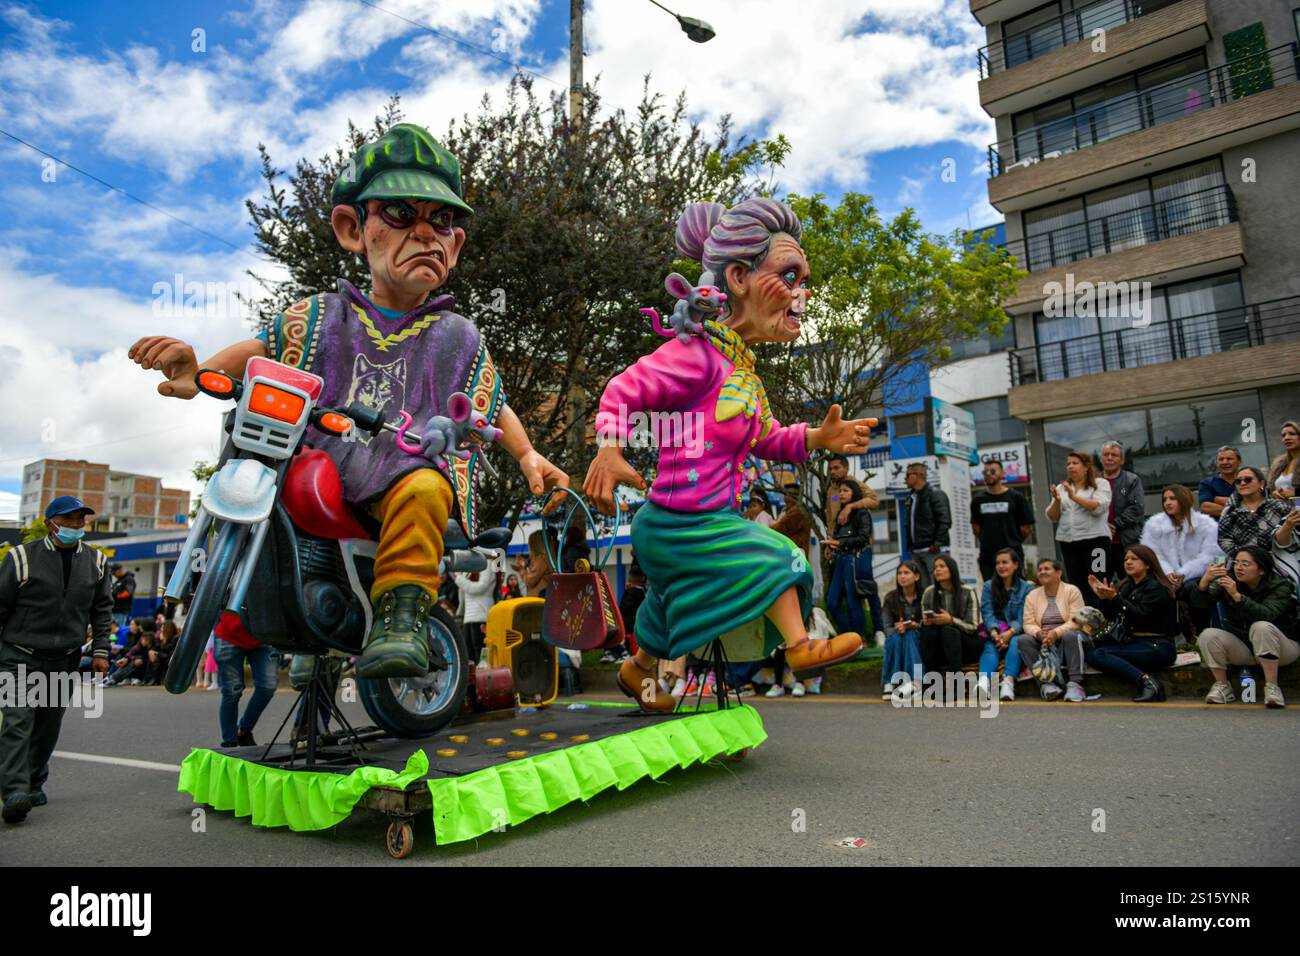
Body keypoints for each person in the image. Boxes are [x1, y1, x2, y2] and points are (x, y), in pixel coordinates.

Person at [130, 122, 567, 681]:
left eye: (443, 222)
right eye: (402, 216)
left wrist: (527, 455)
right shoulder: (315, 316)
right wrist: (199, 374)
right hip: (319, 454)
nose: (427, 234)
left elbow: (486, 401)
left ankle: (399, 616)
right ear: (352, 229)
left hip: (404, 463)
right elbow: (262, 351)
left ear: (455, 245)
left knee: (425, 484)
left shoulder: (458, 335)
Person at [585, 197, 873, 713]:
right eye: (790, 275)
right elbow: (622, 389)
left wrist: (816, 438)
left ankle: (638, 671)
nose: (802, 293)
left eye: (805, 280)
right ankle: (800, 646)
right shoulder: (695, 355)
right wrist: (609, 450)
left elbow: (767, 438)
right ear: (739, 276)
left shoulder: (740, 369)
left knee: (667, 606)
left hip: (700, 520)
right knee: (778, 554)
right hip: (680, 521)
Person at [0, 495, 113, 824]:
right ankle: (15, 792)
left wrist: (101, 651)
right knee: (18, 723)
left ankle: (34, 782)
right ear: (51, 523)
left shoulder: (96, 562)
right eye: (69, 520)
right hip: (18, 654)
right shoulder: (21, 558)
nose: (76, 526)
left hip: (64, 658)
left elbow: (102, 610)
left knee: (47, 726)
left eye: (81, 520)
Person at [1191, 546, 1298, 708]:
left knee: (1261, 626)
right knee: (1208, 635)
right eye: (1236, 563)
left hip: (1282, 648)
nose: (1238, 567)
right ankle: (1222, 685)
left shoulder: (1280, 586)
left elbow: (1266, 614)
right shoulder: (1230, 580)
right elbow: (1200, 604)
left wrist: (1237, 596)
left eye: (1246, 564)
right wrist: (1204, 583)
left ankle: (1272, 687)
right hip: (1245, 647)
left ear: (1261, 570)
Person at [1085, 544, 1180, 702]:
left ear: (1148, 564)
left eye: (1134, 559)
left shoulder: (1157, 588)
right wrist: (1103, 598)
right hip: (1133, 642)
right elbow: (1111, 618)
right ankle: (1145, 680)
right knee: (1093, 652)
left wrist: (1115, 598)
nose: (1128, 562)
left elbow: (1139, 617)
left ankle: (1148, 683)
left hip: (1157, 645)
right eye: (1126, 559)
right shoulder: (1126, 586)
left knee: (1100, 654)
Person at [1046, 450, 1113, 606]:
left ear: (1086, 467)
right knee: (1077, 583)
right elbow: (1052, 516)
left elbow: (1098, 507)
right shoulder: (1063, 489)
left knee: (1099, 580)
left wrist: (1074, 496)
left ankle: (1103, 621)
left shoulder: (1100, 484)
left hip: (1096, 542)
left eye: (1075, 463)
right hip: (1069, 543)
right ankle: (1085, 622)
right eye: (1068, 463)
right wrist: (1057, 500)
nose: (1070, 466)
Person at [1017, 558, 1087, 701]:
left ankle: (1075, 684)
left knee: (1070, 635)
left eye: (1047, 568)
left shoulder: (1071, 590)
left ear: (1058, 573)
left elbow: (1077, 620)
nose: (1042, 572)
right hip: (1044, 640)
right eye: (1040, 569)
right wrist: (1038, 633)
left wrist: (1056, 633)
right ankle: (1046, 684)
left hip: (1069, 636)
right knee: (1023, 639)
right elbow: (1028, 623)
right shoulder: (1032, 595)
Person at [825, 477, 883, 642]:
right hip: (840, 559)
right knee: (832, 603)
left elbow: (864, 538)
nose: (841, 494)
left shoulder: (861, 512)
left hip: (854, 558)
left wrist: (840, 542)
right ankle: (851, 637)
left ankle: (861, 638)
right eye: (840, 491)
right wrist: (831, 546)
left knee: (854, 600)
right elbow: (836, 534)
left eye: (846, 491)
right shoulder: (836, 506)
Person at [211, 612, 279, 747]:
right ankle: (229, 743)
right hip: (228, 633)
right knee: (232, 691)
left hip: (264, 635)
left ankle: (243, 730)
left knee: (268, 687)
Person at [918, 554, 981, 684]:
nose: (937, 570)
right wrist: (926, 622)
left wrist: (951, 620)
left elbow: (973, 626)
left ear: (952, 569)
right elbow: (922, 621)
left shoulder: (967, 591)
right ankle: (933, 683)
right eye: (935, 567)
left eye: (942, 566)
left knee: (949, 631)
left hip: (966, 645)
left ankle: (956, 684)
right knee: (929, 632)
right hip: (940, 646)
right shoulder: (929, 592)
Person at [979, 548, 1031, 701]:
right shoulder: (989, 586)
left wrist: (1010, 633)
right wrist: (995, 633)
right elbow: (987, 612)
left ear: (1015, 565)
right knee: (990, 646)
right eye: (998, 563)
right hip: (996, 630)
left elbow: (1024, 616)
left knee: (1016, 642)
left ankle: (1008, 682)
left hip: (1016, 631)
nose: (1001, 566)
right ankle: (984, 682)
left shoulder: (1026, 588)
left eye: (1005, 562)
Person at [971, 460, 1032, 583]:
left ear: (1003, 474)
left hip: (1013, 554)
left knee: (1016, 592)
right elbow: (976, 527)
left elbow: (1026, 527)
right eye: (985, 472)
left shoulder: (1016, 497)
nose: (988, 474)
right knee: (992, 592)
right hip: (988, 557)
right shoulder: (978, 500)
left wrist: (1014, 541)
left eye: (993, 471)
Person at [1217, 466, 1290, 556]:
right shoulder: (1230, 510)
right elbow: (1223, 539)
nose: (1243, 483)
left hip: (1279, 560)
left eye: (1248, 479)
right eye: (1238, 481)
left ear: (1261, 483)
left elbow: (1290, 536)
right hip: (1242, 564)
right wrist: (1245, 556)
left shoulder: (1279, 507)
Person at [881, 560, 925, 698]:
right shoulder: (891, 597)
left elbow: (929, 621)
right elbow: (887, 626)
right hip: (898, 635)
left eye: (906, 573)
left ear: (916, 576)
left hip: (920, 635)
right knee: (894, 638)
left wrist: (915, 625)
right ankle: (890, 682)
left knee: (910, 635)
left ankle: (915, 682)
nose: (902, 576)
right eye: (899, 573)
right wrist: (898, 629)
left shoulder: (925, 594)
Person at [1100, 441, 1145, 576]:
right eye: (1106, 454)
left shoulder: (1132, 480)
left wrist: (1114, 524)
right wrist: (1103, 527)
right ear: (1101, 459)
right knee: (1100, 580)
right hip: (1099, 545)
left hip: (1126, 544)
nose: (1109, 458)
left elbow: (1137, 508)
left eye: (1114, 455)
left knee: (1129, 581)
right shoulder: (1093, 481)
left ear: (1122, 460)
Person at [453, 567, 497, 664]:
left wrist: (458, 579)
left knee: (480, 652)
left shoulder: (487, 565)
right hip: (468, 617)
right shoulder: (468, 567)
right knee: (469, 652)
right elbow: (463, 592)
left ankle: (483, 676)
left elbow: (479, 587)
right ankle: (473, 678)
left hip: (481, 615)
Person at [604, 563, 646, 663]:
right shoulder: (641, 592)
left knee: (610, 632)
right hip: (633, 623)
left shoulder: (633, 593)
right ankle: (610, 653)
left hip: (627, 624)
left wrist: (626, 592)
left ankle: (622, 653)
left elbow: (623, 608)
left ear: (630, 578)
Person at [1198, 445, 1241, 519]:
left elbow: (1254, 503)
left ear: (1239, 462)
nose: (1225, 462)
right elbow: (1205, 507)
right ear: (1217, 463)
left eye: (1229, 459)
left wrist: (1217, 499)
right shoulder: (1207, 483)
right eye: (1221, 459)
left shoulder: (1246, 480)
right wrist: (1240, 510)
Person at [1267, 420, 1300, 500]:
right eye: (1283, 435)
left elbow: (1293, 493)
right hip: (1283, 510)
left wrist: (1295, 493)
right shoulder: (1279, 464)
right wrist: (1274, 493)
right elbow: (1271, 489)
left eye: (1292, 434)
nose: (1287, 438)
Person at [109, 564, 136, 630]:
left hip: (121, 612)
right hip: (114, 611)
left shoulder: (128, 579)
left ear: (119, 570)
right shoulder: (117, 582)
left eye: (114, 573)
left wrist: (115, 595)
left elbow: (127, 593)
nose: (114, 575)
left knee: (120, 630)